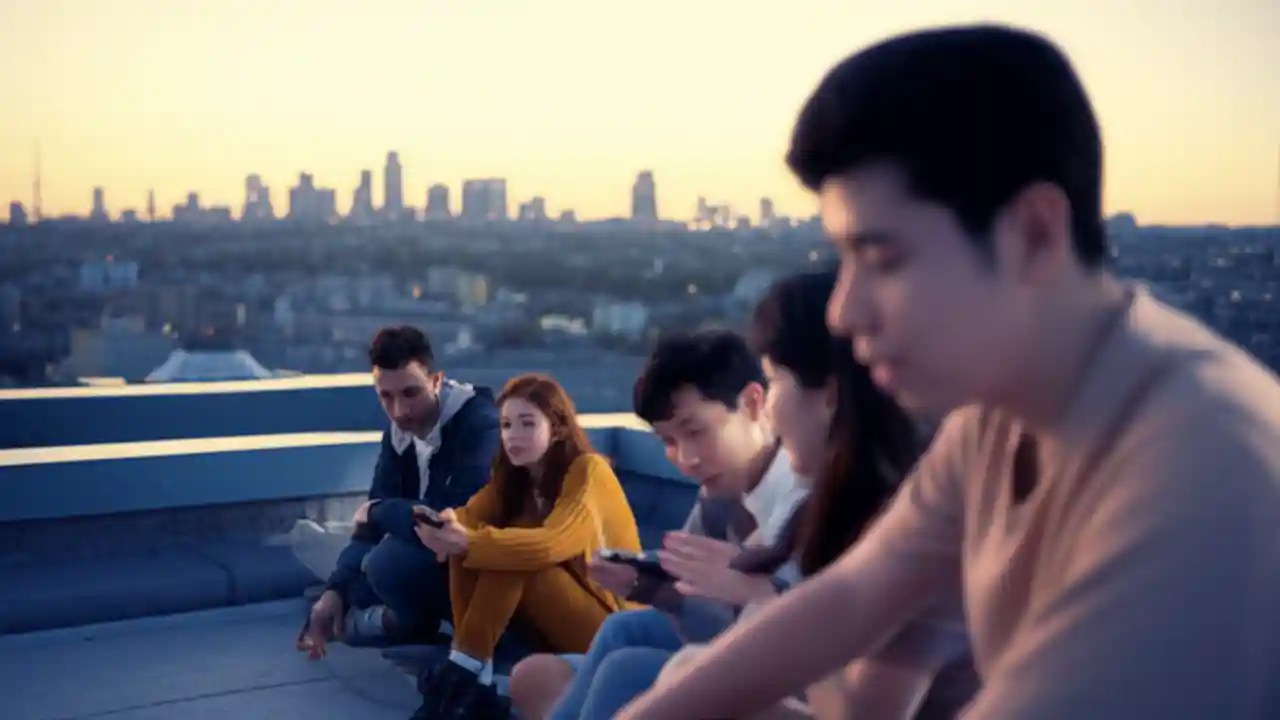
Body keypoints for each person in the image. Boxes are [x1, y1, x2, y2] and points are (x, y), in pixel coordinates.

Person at [617, 24, 1280, 720]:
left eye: (883, 258)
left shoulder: (1199, 469)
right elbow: (850, 600)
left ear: (1033, 233)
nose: (843, 312)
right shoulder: (1000, 420)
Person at [656, 269, 978, 720]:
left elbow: (862, 712)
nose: (768, 407)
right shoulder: (854, 502)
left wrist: (763, 602)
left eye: (775, 381)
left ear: (828, 395)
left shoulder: (906, 526)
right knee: (684, 671)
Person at [509, 330, 808, 720]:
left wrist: (745, 589)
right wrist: (649, 584)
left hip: (794, 672)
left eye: (696, 432)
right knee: (620, 630)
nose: (685, 459)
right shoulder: (719, 496)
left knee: (626, 670)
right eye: (668, 441)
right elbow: (705, 613)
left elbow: (786, 639)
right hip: (743, 641)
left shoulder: (801, 499)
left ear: (753, 403)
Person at [410, 373, 642, 720]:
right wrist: (445, 526)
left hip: (613, 629)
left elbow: (551, 544)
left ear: (559, 429)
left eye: (527, 424)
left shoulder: (588, 471)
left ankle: (462, 674)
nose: (513, 436)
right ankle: (473, 677)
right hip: (556, 622)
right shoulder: (515, 479)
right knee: (475, 543)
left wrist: (467, 538)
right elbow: (470, 518)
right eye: (506, 425)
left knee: (512, 553)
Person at [297, 325, 499, 659]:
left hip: (475, 568)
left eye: (411, 393)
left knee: (385, 564)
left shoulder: (478, 425)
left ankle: (394, 622)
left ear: (437, 381)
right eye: (386, 397)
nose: (400, 410)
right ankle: (353, 612)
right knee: (346, 577)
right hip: (423, 561)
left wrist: (378, 511)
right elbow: (371, 525)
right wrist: (336, 590)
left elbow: (447, 522)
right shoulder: (399, 434)